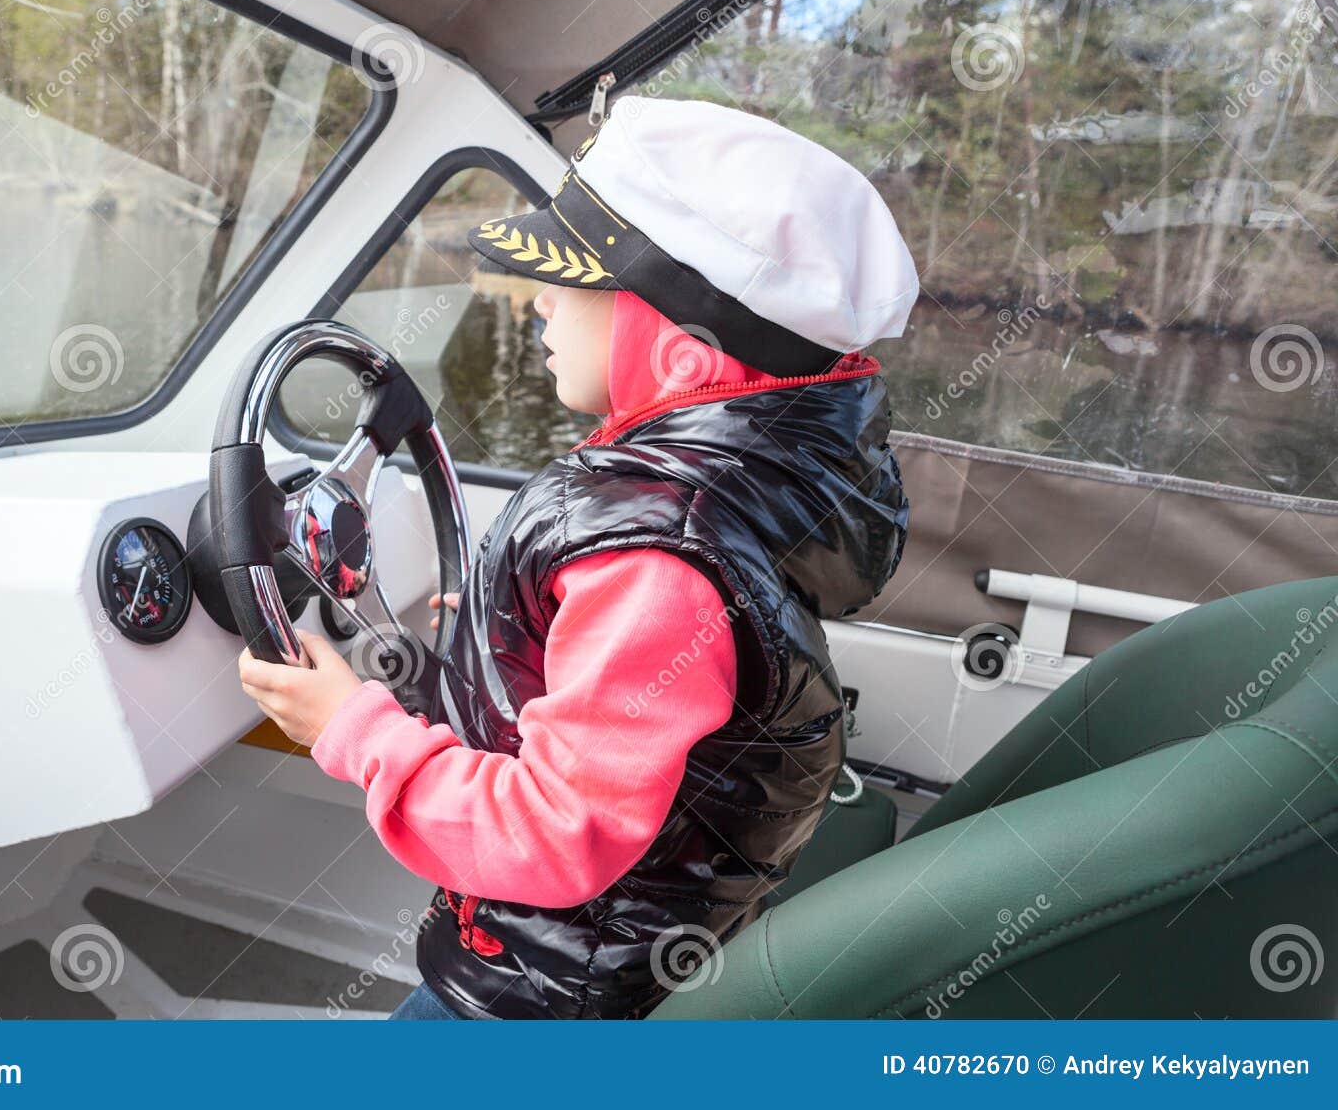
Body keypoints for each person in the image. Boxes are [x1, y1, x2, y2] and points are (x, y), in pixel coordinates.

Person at [238, 96, 917, 1019]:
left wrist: (349, 728)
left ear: (676, 340)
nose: (539, 300)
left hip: (545, 996)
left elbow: (556, 835)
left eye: (573, 281)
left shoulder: (657, 559)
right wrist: (513, 652)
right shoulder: (736, 495)